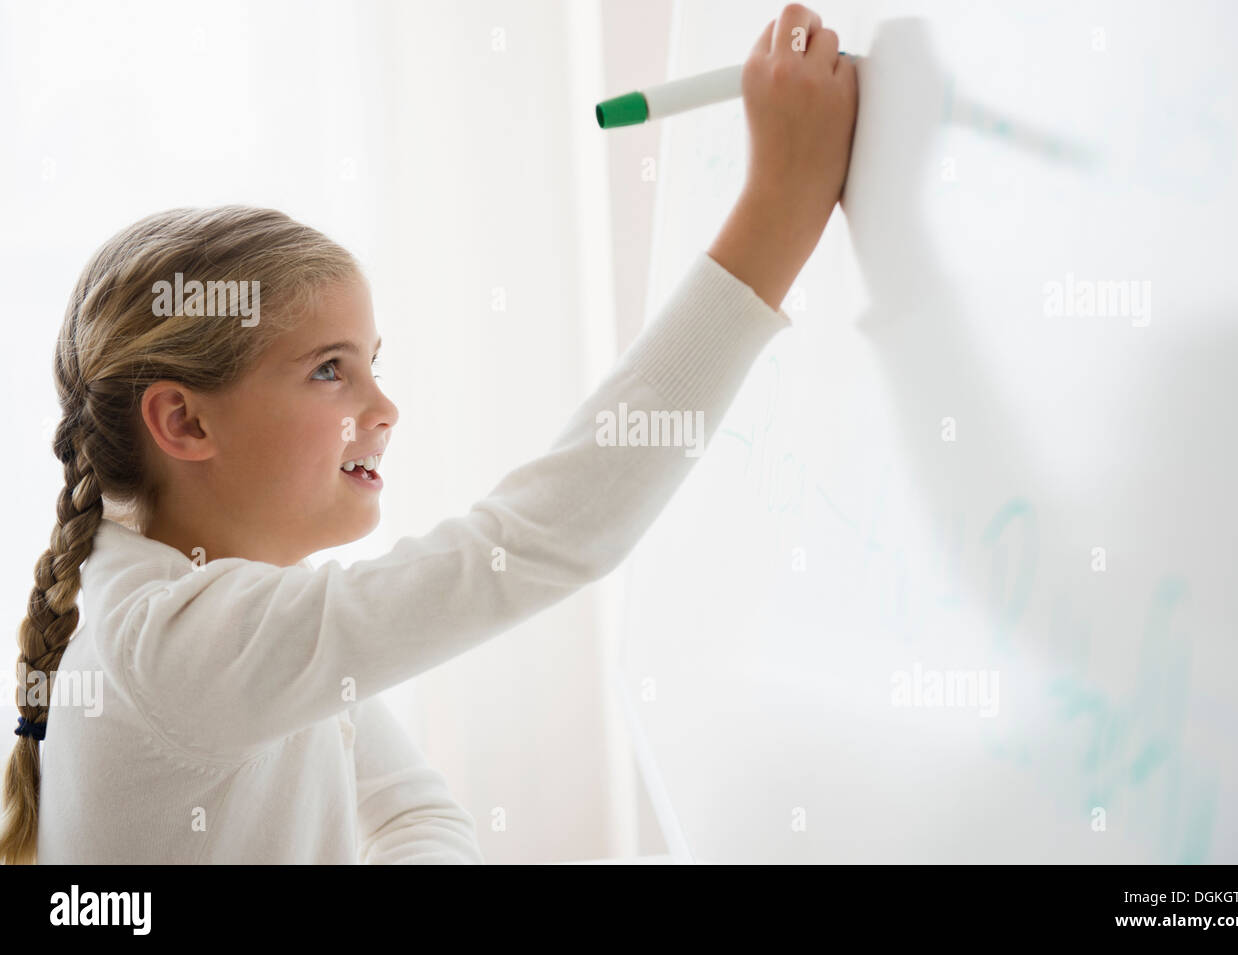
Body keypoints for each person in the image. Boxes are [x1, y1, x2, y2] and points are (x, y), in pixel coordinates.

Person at [1, 3, 857, 864]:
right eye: (329, 369)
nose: (385, 407)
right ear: (184, 420)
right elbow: (537, 543)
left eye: (372, 362)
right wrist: (776, 212)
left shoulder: (200, 610)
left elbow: (416, 816)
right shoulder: (176, 646)